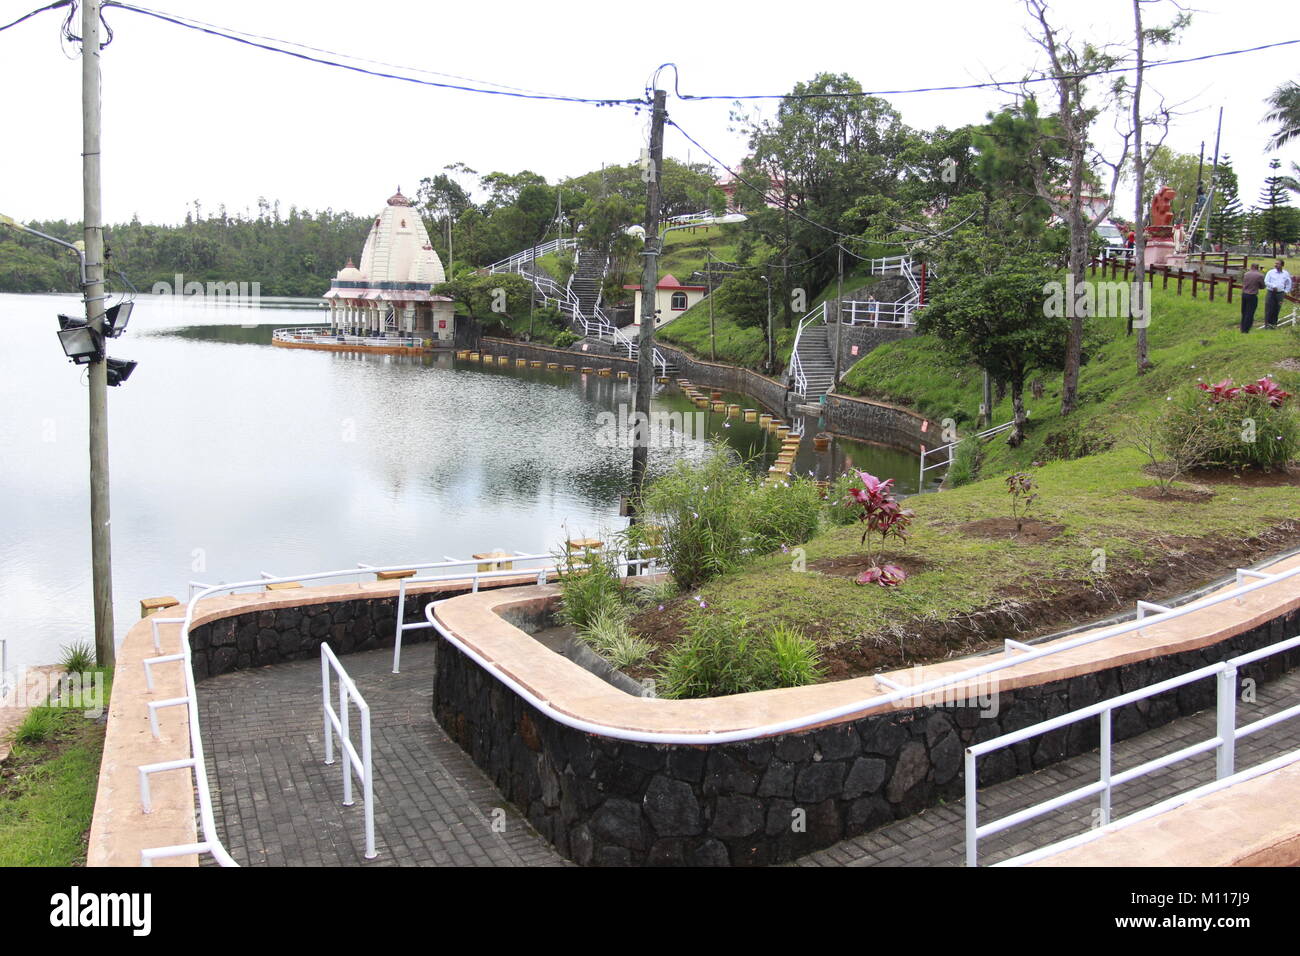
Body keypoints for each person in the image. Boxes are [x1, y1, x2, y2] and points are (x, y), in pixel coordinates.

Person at [1263, 260, 1293, 329]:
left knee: (1277, 308)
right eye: (1275, 263)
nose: (1275, 265)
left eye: (1278, 264)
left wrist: (1286, 291)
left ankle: (1274, 324)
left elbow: (1289, 283)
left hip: (1280, 294)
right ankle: (1267, 325)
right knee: (1269, 308)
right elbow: (1266, 281)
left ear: (1282, 265)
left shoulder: (1286, 273)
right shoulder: (1270, 272)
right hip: (1271, 292)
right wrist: (1273, 286)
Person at [1240, 263, 1264, 333]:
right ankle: (1246, 329)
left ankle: (1242, 327)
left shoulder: (1246, 274)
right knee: (1250, 312)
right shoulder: (1260, 275)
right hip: (1252, 295)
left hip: (1244, 294)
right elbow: (1262, 286)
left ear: (1251, 267)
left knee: (1244, 311)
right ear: (1257, 268)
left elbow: (1243, 282)